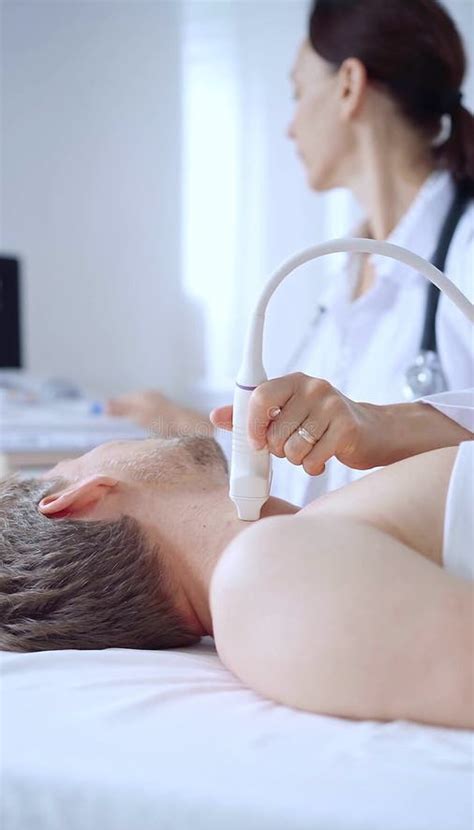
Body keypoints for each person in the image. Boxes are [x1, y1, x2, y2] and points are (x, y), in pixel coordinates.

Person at [106, 0, 474, 505]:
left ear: (349, 86)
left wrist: (384, 424)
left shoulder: (466, 246)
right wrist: (175, 423)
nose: (289, 126)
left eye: (298, 93)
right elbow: (303, 457)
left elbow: (361, 431)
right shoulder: (350, 269)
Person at [0, 433, 472, 729]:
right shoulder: (264, 577)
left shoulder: (302, 548)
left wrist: (408, 424)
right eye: (82, 456)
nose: (123, 441)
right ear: (81, 499)